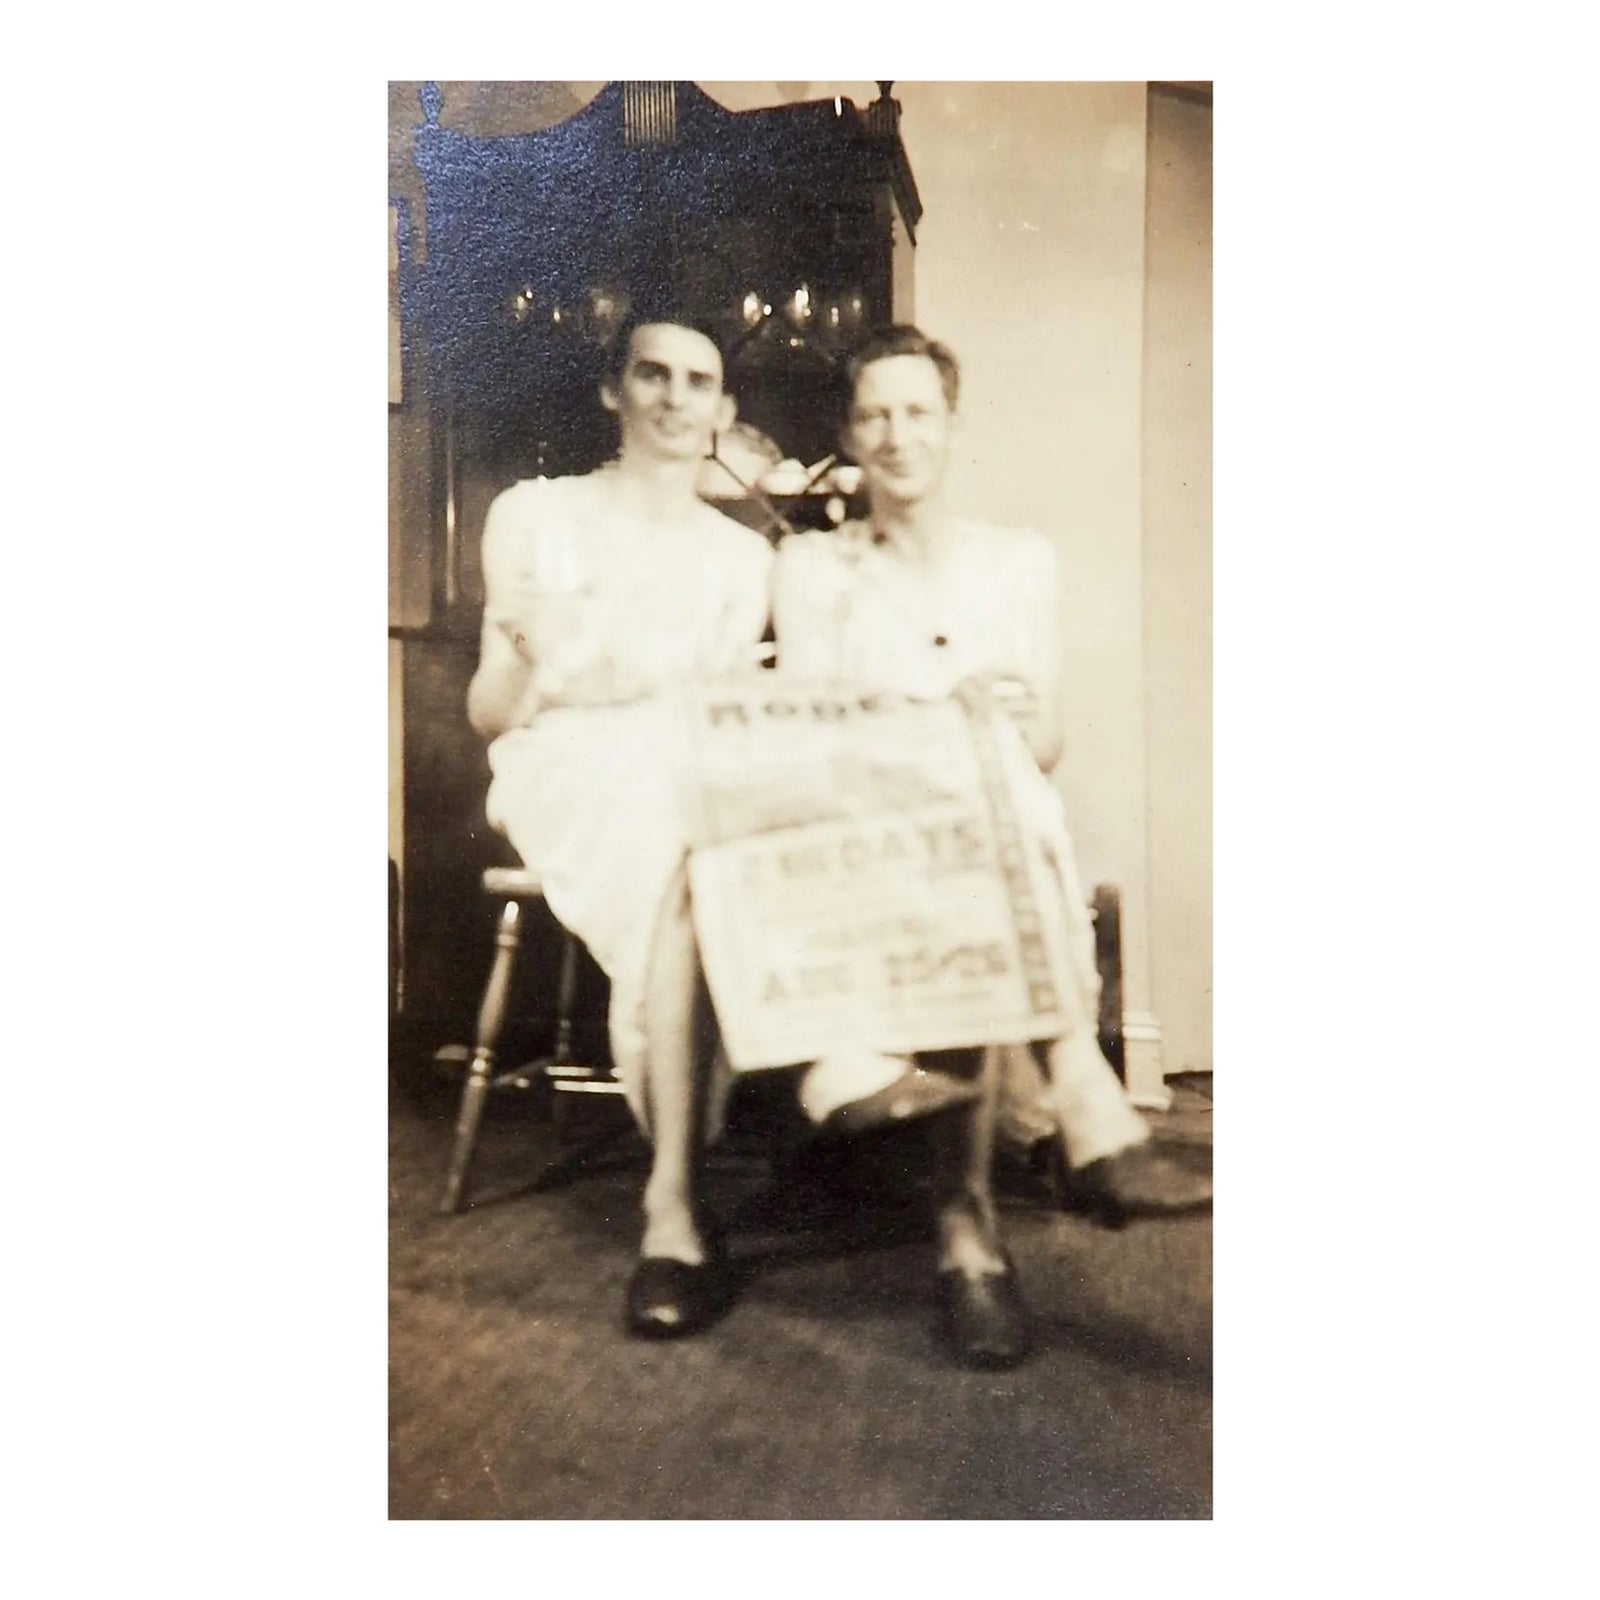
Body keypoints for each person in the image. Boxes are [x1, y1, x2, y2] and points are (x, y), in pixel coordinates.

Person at [770, 325, 1212, 1367]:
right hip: (859, 829)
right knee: (978, 787)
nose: (895, 433)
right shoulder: (812, 566)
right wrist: (944, 714)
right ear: (847, 432)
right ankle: (1074, 1124)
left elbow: (1046, 739)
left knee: (997, 783)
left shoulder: (1018, 562)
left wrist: (999, 722)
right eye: (873, 413)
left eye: (917, 410)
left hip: (981, 838)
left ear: (951, 425)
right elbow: (808, 733)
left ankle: (974, 1232)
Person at [467, 311, 773, 1339]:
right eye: (653, 373)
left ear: (725, 411)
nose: (676, 397)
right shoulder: (535, 515)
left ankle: (683, 1188)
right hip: (564, 759)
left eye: (699, 381)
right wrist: (519, 649)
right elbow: (491, 712)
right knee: (680, 842)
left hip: (683, 766)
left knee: (710, 830)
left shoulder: (743, 561)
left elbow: (723, 714)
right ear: (615, 389)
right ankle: (674, 1198)